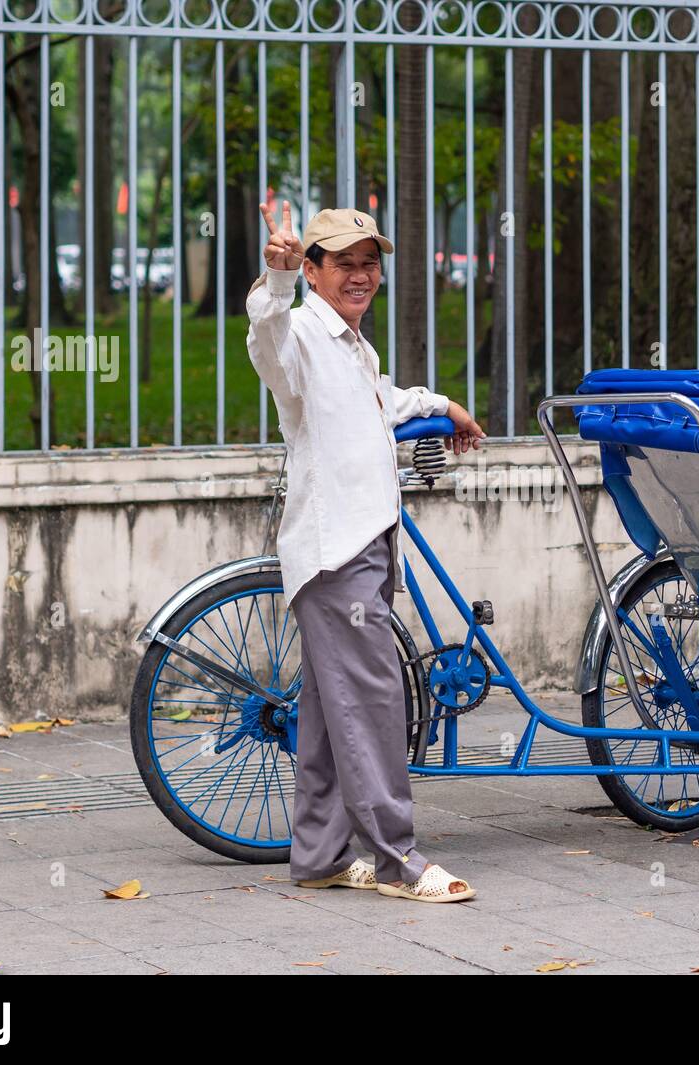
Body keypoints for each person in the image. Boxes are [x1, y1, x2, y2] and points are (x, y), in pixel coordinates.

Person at [245, 201, 485, 903]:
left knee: (328, 709)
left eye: (369, 262)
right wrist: (277, 278)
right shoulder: (298, 334)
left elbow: (383, 398)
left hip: (364, 543)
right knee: (377, 700)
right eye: (343, 262)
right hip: (337, 551)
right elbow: (266, 338)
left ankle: (319, 852)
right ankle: (397, 858)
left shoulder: (352, 343)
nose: (360, 275)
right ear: (314, 271)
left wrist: (443, 406)